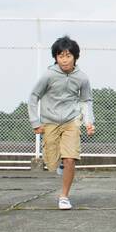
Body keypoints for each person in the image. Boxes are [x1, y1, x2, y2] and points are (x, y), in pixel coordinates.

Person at [29, 35, 95, 209]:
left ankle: (64, 196)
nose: (64, 60)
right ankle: (58, 162)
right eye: (60, 56)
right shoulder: (49, 75)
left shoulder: (82, 78)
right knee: (51, 163)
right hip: (50, 122)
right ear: (55, 58)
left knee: (70, 159)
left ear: (75, 57)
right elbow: (34, 96)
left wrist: (89, 121)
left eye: (68, 56)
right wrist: (35, 122)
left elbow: (86, 100)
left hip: (72, 121)